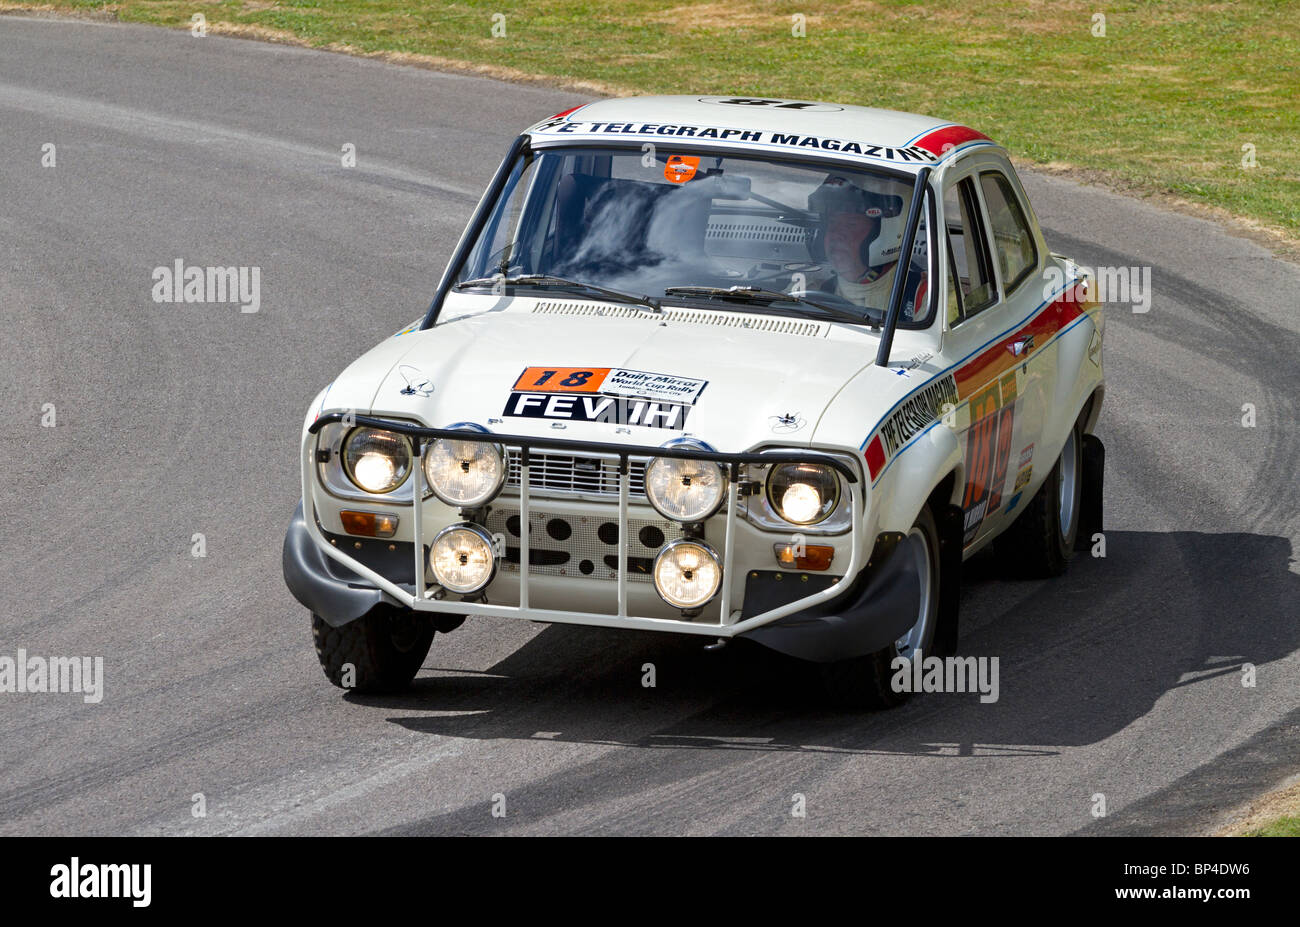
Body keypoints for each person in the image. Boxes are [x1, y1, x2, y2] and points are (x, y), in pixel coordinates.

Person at [808, 174, 927, 320]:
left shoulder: (924, 296)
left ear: (888, 233)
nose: (837, 235)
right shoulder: (810, 289)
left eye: (851, 225)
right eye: (832, 223)